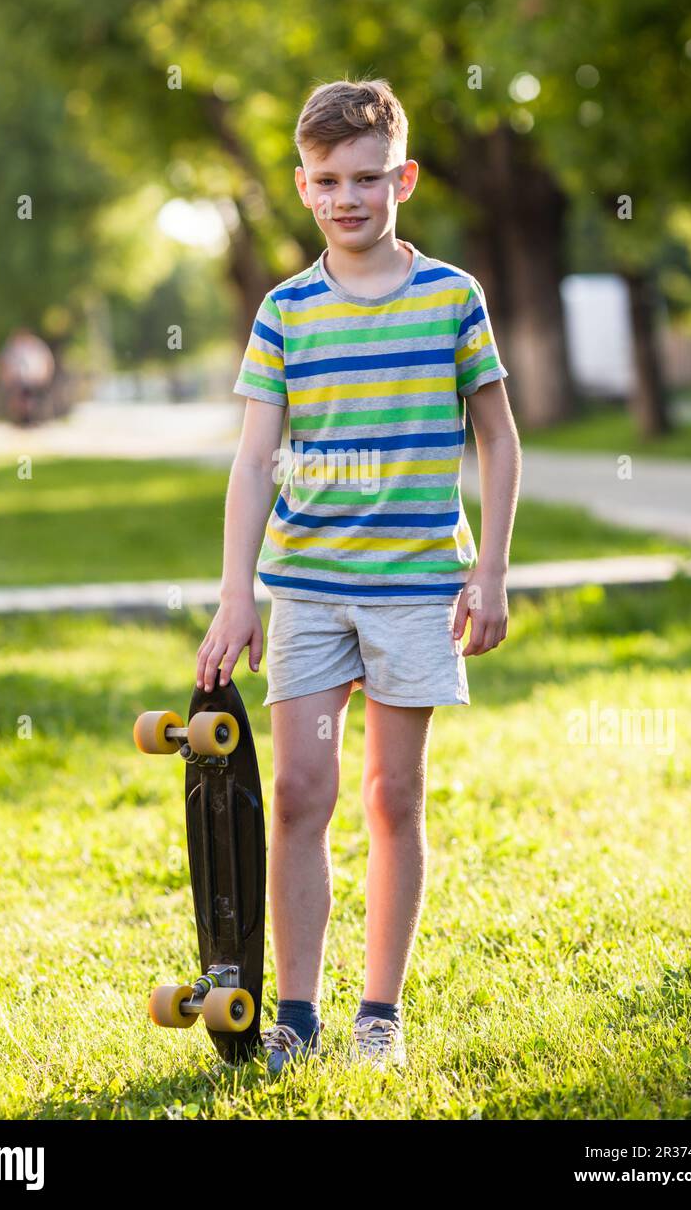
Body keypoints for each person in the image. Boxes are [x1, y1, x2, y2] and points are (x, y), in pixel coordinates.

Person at [196, 79, 521, 1072]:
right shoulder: (286, 309)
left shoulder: (451, 298)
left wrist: (493, 572)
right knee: (299, 791)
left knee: (391, 796)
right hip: (309, 589)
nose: (348, 197)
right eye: (328, 180)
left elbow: (499, 444)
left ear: (402, 178)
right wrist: (234, 591)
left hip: (419, 589)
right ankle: (296, 1013)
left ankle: (377, 1012)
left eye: (367, 177)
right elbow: (254, 461)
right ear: (302, 186)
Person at [0, 329, 55, 426]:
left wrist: (45, 376)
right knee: (20, 399)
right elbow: (4, 363)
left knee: (32, 399)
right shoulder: (12, 347)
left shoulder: (38, 347)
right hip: (18, 380)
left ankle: (33, 418)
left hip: (35, 379)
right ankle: (21, 419)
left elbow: (47, 362)